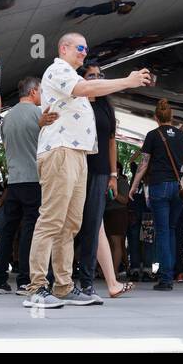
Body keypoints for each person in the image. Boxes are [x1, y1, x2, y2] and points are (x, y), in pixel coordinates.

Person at [24, 34, 150, 310]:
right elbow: (85, 88)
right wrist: (127, 81)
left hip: (78, 155)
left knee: (69, 224)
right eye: (80, 48)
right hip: (60, 151)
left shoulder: (71, 76)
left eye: (86, 48)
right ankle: (37, 287)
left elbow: (90, 91)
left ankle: (63, 286)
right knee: (52, 220)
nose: (84, 52)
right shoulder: (58, 70)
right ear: (63, 48)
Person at [0, 78, 56, 296]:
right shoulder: (39, 114)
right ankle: (25, 279)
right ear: (33, 91)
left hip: (13, 181)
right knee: (30, 230)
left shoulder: (7, 118)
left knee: (8, 230)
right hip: (34, 179)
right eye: (41, 91)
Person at [73, 62, 133, 301]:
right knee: (73, 225)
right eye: (91, 75)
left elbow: (111, 142)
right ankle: (58, 279)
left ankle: (89, 283)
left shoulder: (106, 106)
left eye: (99, 75)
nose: (97, 78)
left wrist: (113, 175)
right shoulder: (75, 102)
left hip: (99, 172)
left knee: (93, 226)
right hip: (77, 169)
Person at [130, 99, 183, 291]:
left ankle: (166, 279)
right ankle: (171, 272)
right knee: (172, 229)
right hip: (178, 188)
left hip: (159, 186)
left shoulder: (152, 136)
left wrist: (134, 185)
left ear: (156, 117)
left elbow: (144, 164)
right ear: (172, 117)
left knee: (163, 231)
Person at [66, 0, 136, 22]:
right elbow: (119, 11)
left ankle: (77, 12)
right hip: (108, 9)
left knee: (90, 9)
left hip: (106, 5)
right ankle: (78, 11)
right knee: (90, 11)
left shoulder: (122, 2)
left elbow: (114, 1)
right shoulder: (126, 7)